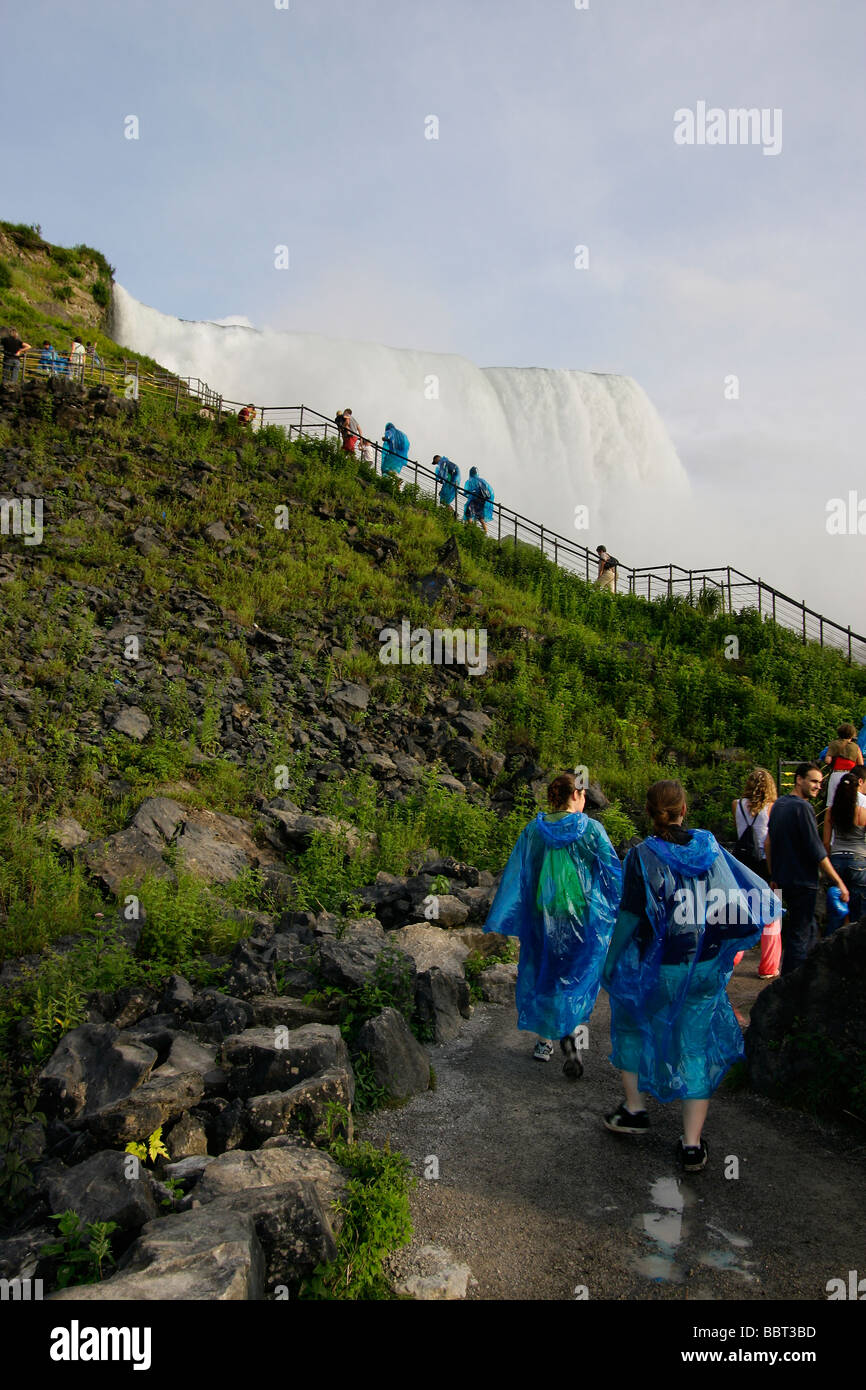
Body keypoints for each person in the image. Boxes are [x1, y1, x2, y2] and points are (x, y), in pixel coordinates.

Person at [602, 779, 780, 1172]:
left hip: (660, 968)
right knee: (694, 1047)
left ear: (649, 813)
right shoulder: (710, 848)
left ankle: (634, 1110)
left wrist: (610, 962)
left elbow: (631, 916)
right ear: (684, 810)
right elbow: (732, 901)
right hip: (702, 967)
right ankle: (691, 1145)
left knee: (632, 1025)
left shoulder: (641, 856)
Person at [484, 770, 622, 1078]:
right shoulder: (592, 830)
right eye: (583, 794)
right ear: (575, 795)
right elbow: (612, 873)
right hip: (582, 919)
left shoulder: (534, 830)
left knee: (545, 973)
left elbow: (520, 874)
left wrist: (512, 916)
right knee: (573, 976)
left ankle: (544, 1042)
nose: (585, 799)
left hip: (541, 917)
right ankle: (571, 1038)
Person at [765, 762, 849, 975]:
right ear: (799, 779)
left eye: (820, 783)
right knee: (800, 938)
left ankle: (798, 983)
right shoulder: (803, 808)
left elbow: (768, 842)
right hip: (803, 881)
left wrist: (773, 873)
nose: (818, 786)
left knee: (802, 931)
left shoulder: (779, 805)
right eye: (813, 781)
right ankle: (791, 988)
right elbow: (817, 850)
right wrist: (839, 882)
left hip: (784, 879)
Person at [732, 767, 781, 977]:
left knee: (742, 914)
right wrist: (774, 873)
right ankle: (768, 966)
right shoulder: (773, 808)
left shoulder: (736, 805)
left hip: (742, 864)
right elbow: (770, 842)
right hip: (764, 863)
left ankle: (732, 957)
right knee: (771, 915)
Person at [822, 768, 866, 925]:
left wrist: (828, 860)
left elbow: (826, 842)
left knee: (837, 908)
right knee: (859, 913)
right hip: (859, 862)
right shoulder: (862, 812)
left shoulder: (831, 812)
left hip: (836, 861)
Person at [822, 723, 863, 808]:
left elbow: (827, 760)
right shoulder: (856, 747)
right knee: (849, 803)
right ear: (852, 734)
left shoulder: (834, 744)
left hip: (836, 774)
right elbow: (861, 764)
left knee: (831, 804)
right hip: (850, 775)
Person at [463, 466, 494, 534]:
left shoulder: (471, 481)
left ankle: (471, 530)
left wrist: (466, 493)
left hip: (475, 500)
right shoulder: (482, 481)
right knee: (481, 517)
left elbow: (466, 491)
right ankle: (485, 533)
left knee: (468, 513)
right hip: (482, 501)